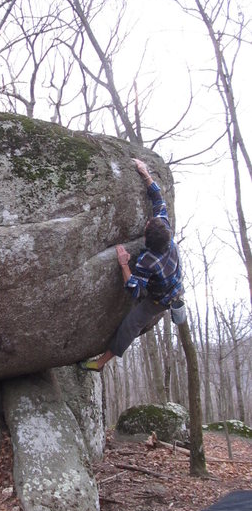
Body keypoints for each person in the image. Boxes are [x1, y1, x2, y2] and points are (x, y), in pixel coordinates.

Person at [79, 157, 184, 372]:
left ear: (148, 241)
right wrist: (144, 173)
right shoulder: (165, 230)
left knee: (131, 325)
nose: (147, 222)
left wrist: (124, 264)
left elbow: (134, 290)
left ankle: (100, 363)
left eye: (146, 226)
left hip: (159, 299)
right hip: (173, 284)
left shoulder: (148, 261)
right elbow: (158, 199)